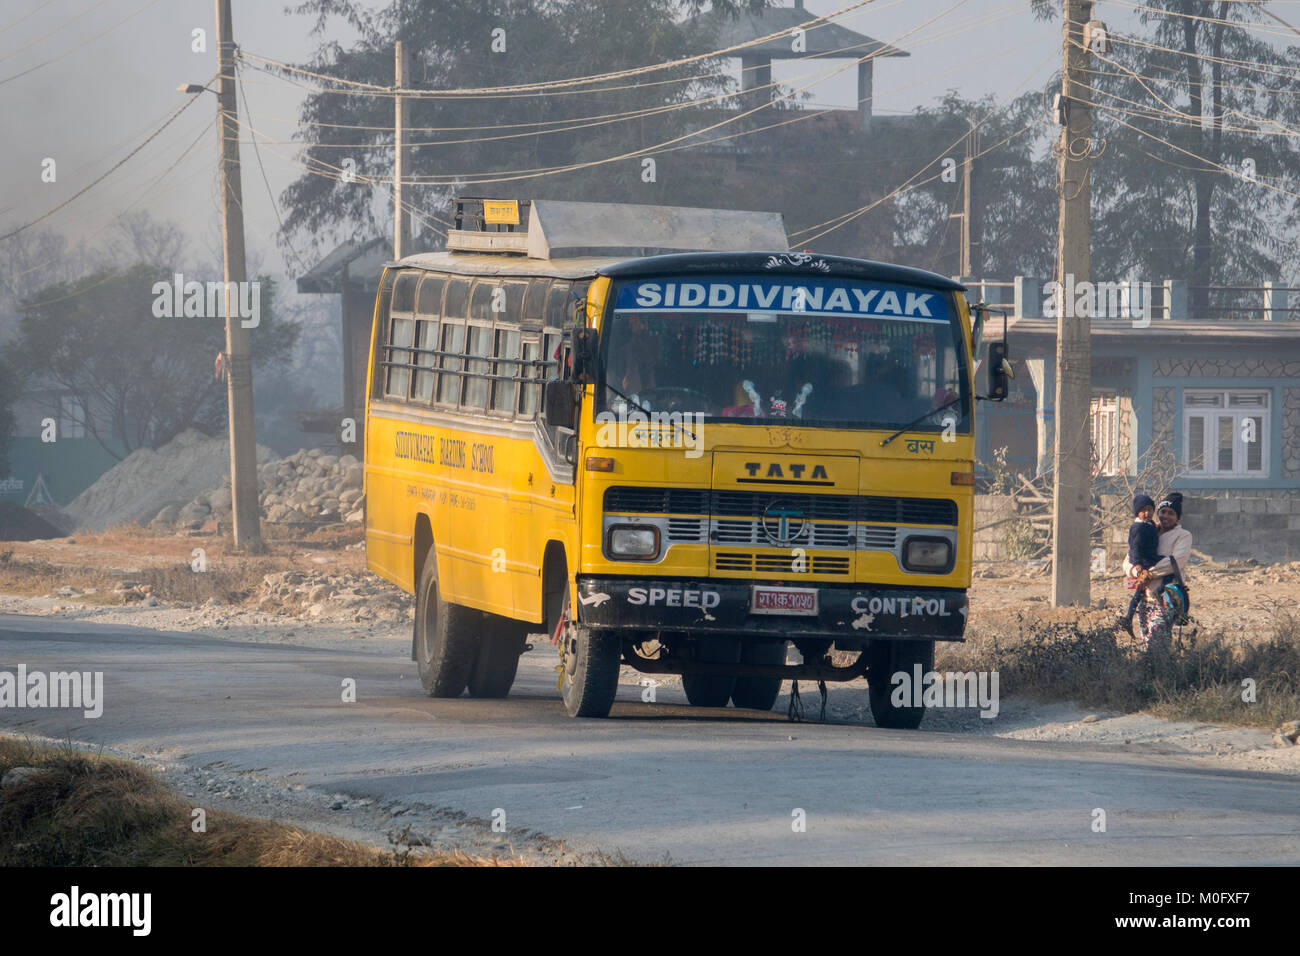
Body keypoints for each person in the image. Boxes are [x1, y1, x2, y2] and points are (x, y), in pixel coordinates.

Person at [1122, 492, 1192, 645]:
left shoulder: (1183, 536)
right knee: (1147, 642)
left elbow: (1175, 562)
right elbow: (1128, 560)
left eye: (1171, 513)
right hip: (1144, 598)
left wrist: (1149, 574)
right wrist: (1138, 572)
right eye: (1163, 512)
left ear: (1178, 517)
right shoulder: (1147, 529)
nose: (1166, 516)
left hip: (1165, 599)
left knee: (1157, 642)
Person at [1118, 493, 1160, 638]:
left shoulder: (1149, 525)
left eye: (1150, 510)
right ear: (1138, 513)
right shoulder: (1138, 527)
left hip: (1150, 559)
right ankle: (1128, 617)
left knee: (1140, 592)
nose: (1148, 513)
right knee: (1140, 591)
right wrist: (1137, 565)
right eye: (1144, 510)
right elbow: (1134, 548)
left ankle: (1129, 618)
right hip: (1144, 562)